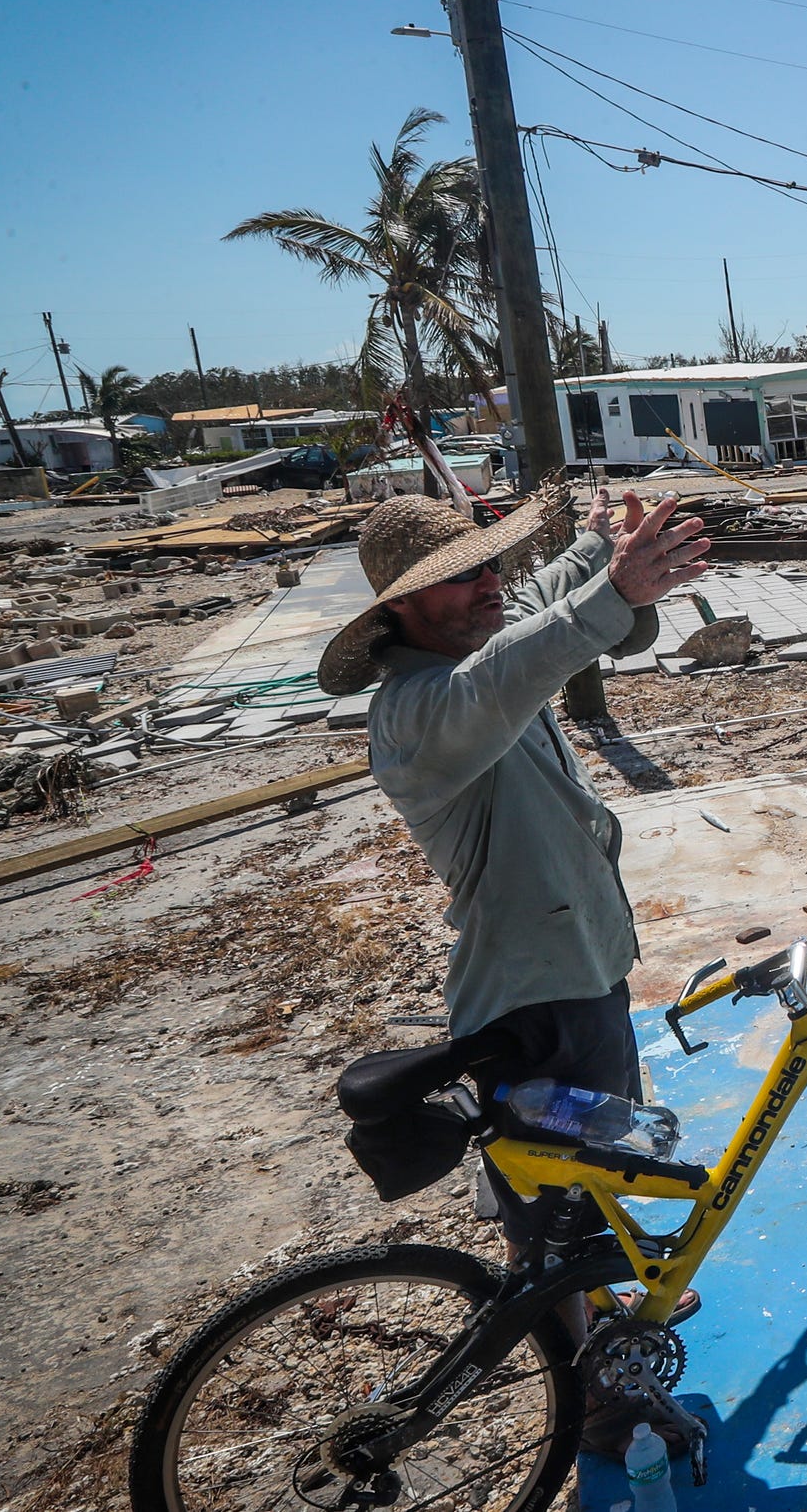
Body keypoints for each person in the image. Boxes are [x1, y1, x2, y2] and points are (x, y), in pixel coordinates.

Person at [315, 487, 708, 1246]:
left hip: (581, 969)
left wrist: (595, 547)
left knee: (592, 1165)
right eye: (464, 574)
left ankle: (590, 1308)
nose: (490, 580)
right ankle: (574, 1348)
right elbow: (506, 673)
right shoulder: (416, 711)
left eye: (487, 562)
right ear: (400, 608)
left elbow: (535, 600)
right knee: (551, 1200)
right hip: (535, 1006)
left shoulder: (471, 645)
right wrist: (616, 591)